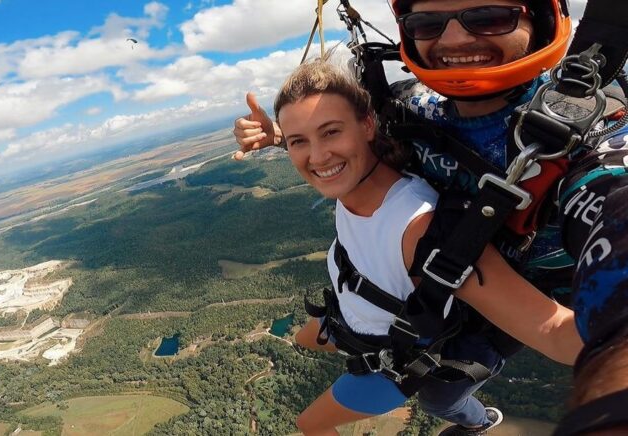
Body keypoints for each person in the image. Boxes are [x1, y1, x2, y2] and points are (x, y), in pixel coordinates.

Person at [233, 0, 628, 434]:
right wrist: (284, 138)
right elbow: (347, 148)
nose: (455, 38)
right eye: (428, 23)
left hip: (497, 298)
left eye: (489, 16)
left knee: (440, 395)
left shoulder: (589, 145)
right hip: (416, 286)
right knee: (305, 339)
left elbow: (612, 215)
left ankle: (478, 425)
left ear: (539, 17)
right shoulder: (411, 116)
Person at [269, 58, 580, 436]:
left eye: (331, 132)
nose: (317, 157)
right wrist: (274, 134)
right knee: (302, 340)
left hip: (393, 357)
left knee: (310, 425)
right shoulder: (357, 174)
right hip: (352, 311)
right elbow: (324, 147)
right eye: (297, 141)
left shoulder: (423, 230)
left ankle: (477, 424)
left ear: (368, 125)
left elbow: (555, 333)